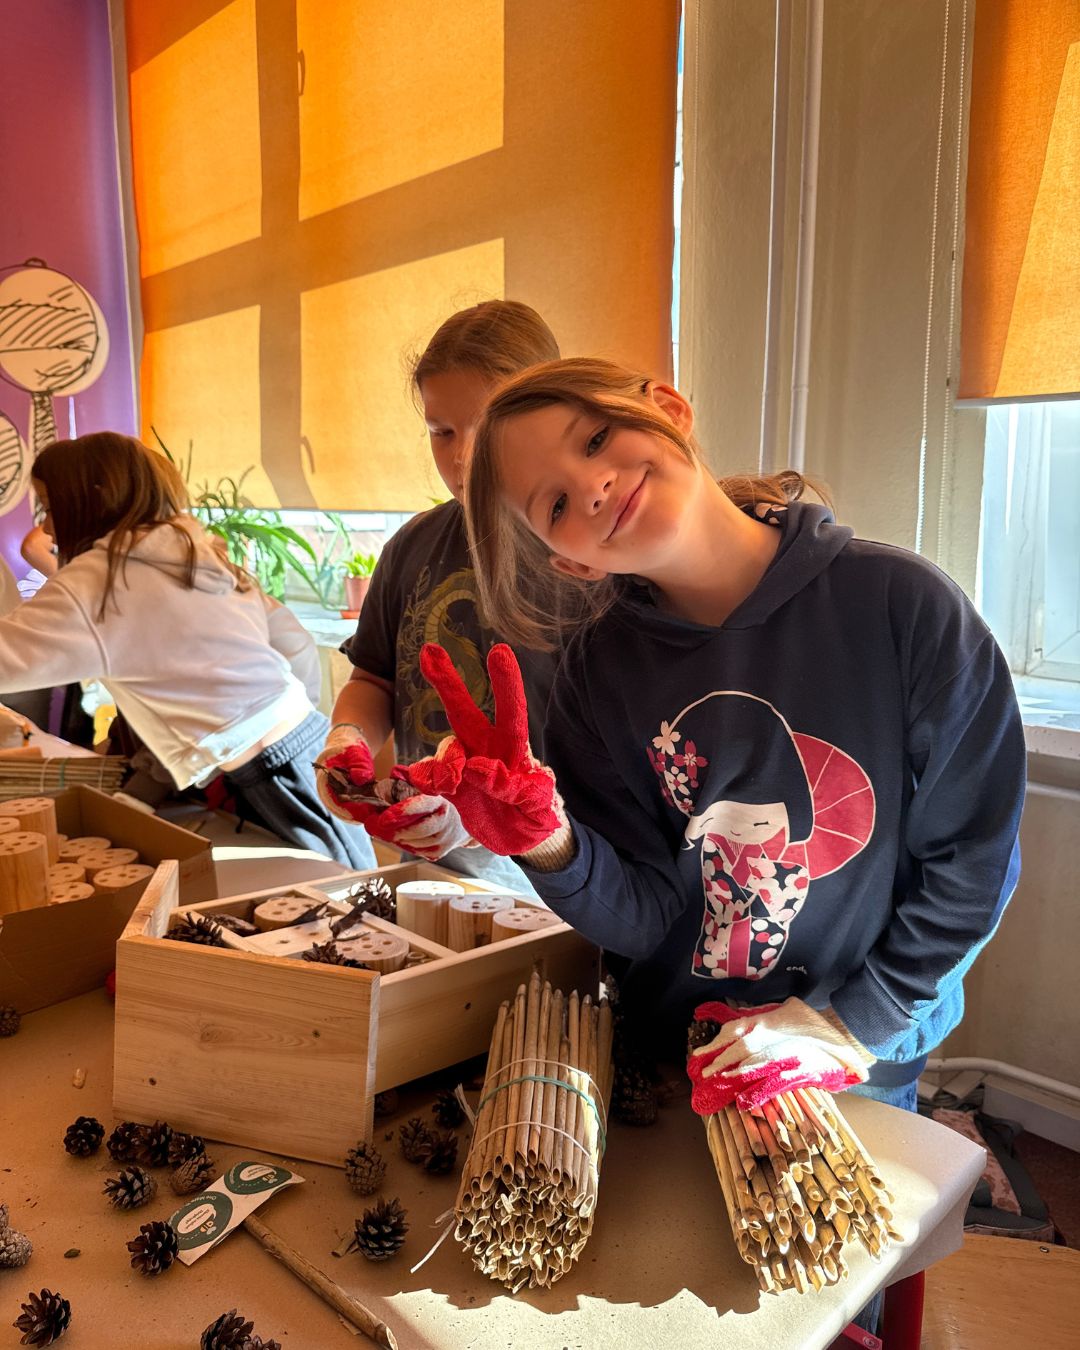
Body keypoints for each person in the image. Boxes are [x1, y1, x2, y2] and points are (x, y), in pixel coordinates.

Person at [396, 356, 1025, 1120]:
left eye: (595, 439)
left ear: (668, 407)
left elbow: (973, 857)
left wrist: (855, 1027)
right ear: (571, 561)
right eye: (556, 503)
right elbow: (651, 914)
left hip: (856, 1050)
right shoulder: (595, 678)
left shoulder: (905, 606)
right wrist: (548, 844)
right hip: (683, 1056)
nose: (592, 485)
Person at [0, 432, 376, 870]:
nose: (46, 527)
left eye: (49, 507)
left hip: (277, 775)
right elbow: (290, 641)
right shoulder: (192, 551)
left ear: (91, 498)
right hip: (300, 746)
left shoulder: (98, 583)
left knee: (345, 901)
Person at [316, 300, 562, 893]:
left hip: (549, 873)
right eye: (441, 431)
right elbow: (374, 679)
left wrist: (480, 819)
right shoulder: (414, 545)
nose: (462, 456)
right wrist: (347, 738)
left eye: (487, 426)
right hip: (428, 861)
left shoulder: (588, 556)